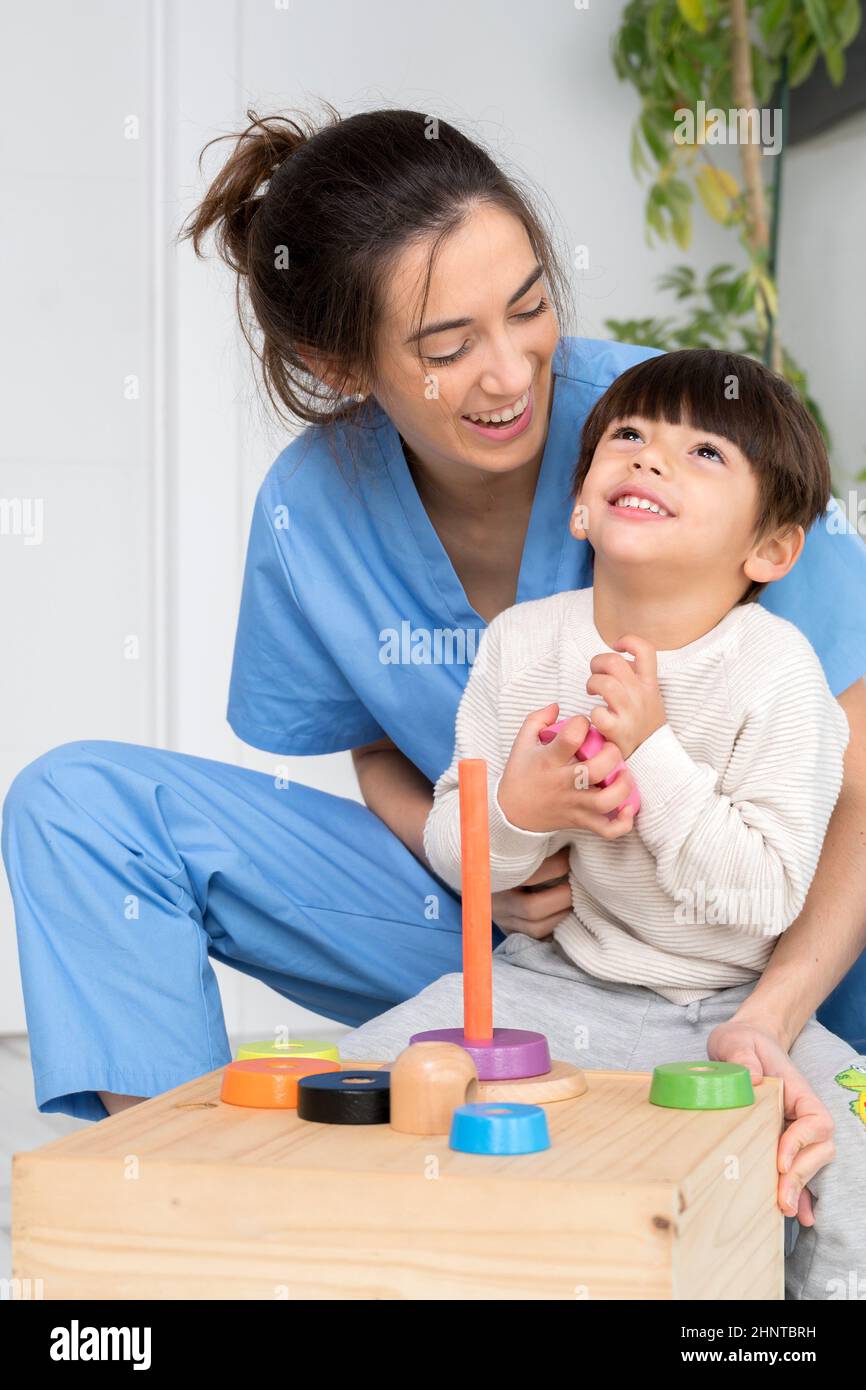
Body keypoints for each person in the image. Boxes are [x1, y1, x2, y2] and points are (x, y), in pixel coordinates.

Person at [2, 108, 865, 1241]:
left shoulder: (680, 437)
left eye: (528, 308)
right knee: (74, 807)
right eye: (446, 346)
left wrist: (767, 1015)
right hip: (493, 941)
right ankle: (189, 1216)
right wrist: (469, 849)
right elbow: (375, 733)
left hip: (765, 947)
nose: (509, 373)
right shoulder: (311, 508)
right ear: (337, 363)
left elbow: (849, 785)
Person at [337, 347, 865, 1297]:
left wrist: (654, 756)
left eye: (705, 453)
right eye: (628, 436)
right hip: (549, 990)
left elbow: (766, 895)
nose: (651, 459)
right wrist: (518, 811)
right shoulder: (524, 644)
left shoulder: (778, 672)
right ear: (581, 505)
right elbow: (460, 847)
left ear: (772, 550)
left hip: (733, 1018)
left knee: (855, 1141)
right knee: (353, 1081)